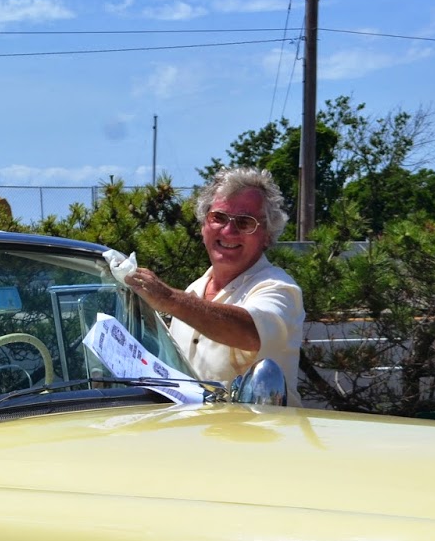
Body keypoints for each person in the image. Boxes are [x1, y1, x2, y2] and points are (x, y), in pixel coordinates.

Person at [123, 167, 304, 401]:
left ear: (268, 235)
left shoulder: (279, 288)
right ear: (203, 226)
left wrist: (168, 300)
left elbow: (250, 332)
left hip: (261, 435)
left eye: (245, 222)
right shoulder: (193, 291)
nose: (229, 231)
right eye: (218, 218)